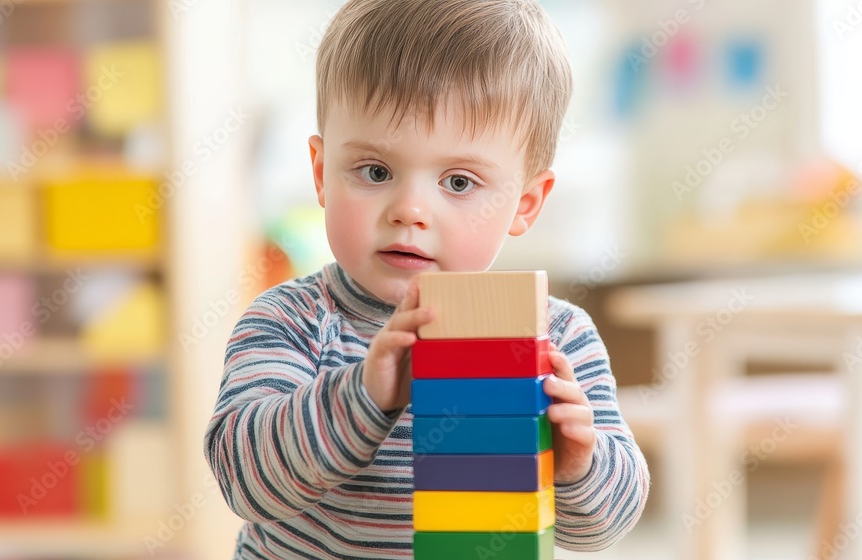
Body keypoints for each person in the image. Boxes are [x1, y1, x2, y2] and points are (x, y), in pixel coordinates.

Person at [204, 0, 650, 557]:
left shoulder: (556, 337)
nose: (410, 209)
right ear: (321, 174)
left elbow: (602, 529)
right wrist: (363, 394)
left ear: (524, 203)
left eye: (459, 182)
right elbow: (243, 481)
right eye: (375, 172)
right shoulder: (291, 320)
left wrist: (578, 461)